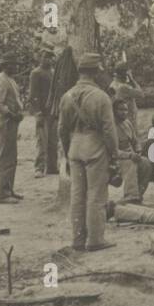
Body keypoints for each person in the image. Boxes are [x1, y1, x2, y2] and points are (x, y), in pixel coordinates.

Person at [58, 52, 119, 252]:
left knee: (77, 194)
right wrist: (114, 154)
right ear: (94, 72)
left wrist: (67, 152)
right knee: (96, 195)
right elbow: (109, 131)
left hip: (74, 145)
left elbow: (61, 129)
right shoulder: (101, 97)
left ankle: (77, 239)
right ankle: (95, 239)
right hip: (95, 146)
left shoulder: (66, 96)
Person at [0, 60, 25, 203]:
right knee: (5, 157)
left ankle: (8, 189)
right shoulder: (2, 80)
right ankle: (2, 194)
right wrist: (11, 114)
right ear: (5, 66)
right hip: (5, 121)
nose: (15, 66)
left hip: (11, 121)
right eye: (12, 64)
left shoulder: (9, 79)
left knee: (11, 157)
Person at [111, 97, 143, 203]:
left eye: (126, 110)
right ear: (114, 111)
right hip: (116, 158)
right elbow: (113, 150)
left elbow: (135, 141)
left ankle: (139, 194)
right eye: (121, 110)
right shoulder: (110, 126)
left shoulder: (127, 123)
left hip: (130, 154)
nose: (124, 112)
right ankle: (130, 196)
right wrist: (130, 155)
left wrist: (138, 151)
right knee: (131, 163)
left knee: (146, 164)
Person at [27, 51, 54, 177]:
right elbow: (33, 95)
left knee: (53, 139)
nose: (47, 60)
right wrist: (37, 111)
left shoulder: (52, 73)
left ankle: (52, 166)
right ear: (40, 58)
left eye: (49, 58)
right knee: (41, 140)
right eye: (45, 57)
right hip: (42, 111)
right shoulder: (36, 73)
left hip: (52, 111)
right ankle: (39, 167)